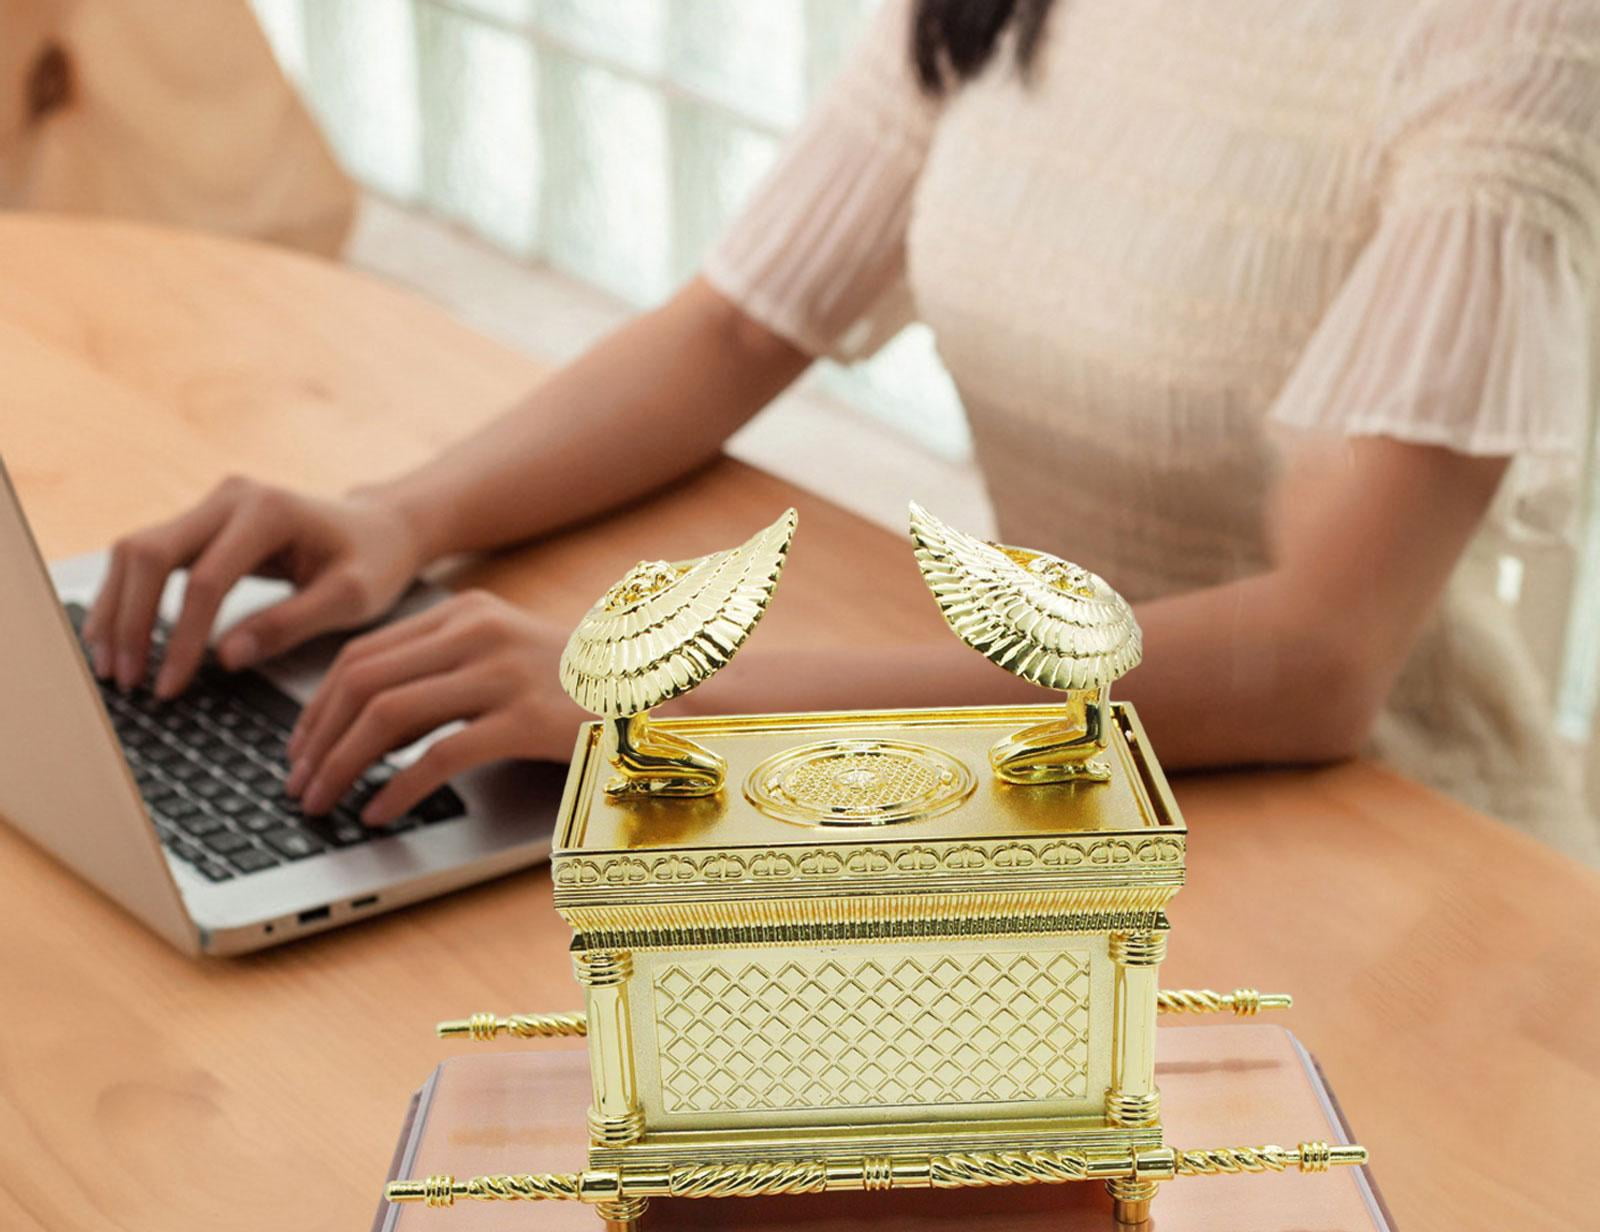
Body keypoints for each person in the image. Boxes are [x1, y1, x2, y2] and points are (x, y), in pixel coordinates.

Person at [82, 0, 1600, 856]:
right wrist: (401, 515)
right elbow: (740, 323)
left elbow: (1324, 661)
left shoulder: (1513, 41)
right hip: (1038, 774)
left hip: (1374, 841)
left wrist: (685, 698)